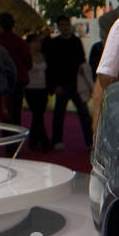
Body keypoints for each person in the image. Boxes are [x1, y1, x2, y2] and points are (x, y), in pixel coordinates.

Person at [41, 15, 90, 149]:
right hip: (62, 83)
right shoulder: (55, 43)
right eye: (62, 25)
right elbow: (51, 66)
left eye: (66, 25)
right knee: (59, 113)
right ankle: (57, 140)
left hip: (75, 83)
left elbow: (82, 60)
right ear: (59, 26)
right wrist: (54, 85)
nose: (65, 28)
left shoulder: (75, 41)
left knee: (83, 113)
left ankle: (89, 140)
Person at [0, 13, 30, 124]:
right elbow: (28, 63)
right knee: (16, 113)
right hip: (17, 81)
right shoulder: (19, 41)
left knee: (2, 112)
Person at [22, 32, 49, 151]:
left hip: (43, 89)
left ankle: (34, 141)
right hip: (31, 88)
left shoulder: (44, 55)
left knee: (38, 115)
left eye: (38, 42)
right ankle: (43, 142)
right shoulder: (26, 56)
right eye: (34, 42)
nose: (37, 44)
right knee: (37, 114)